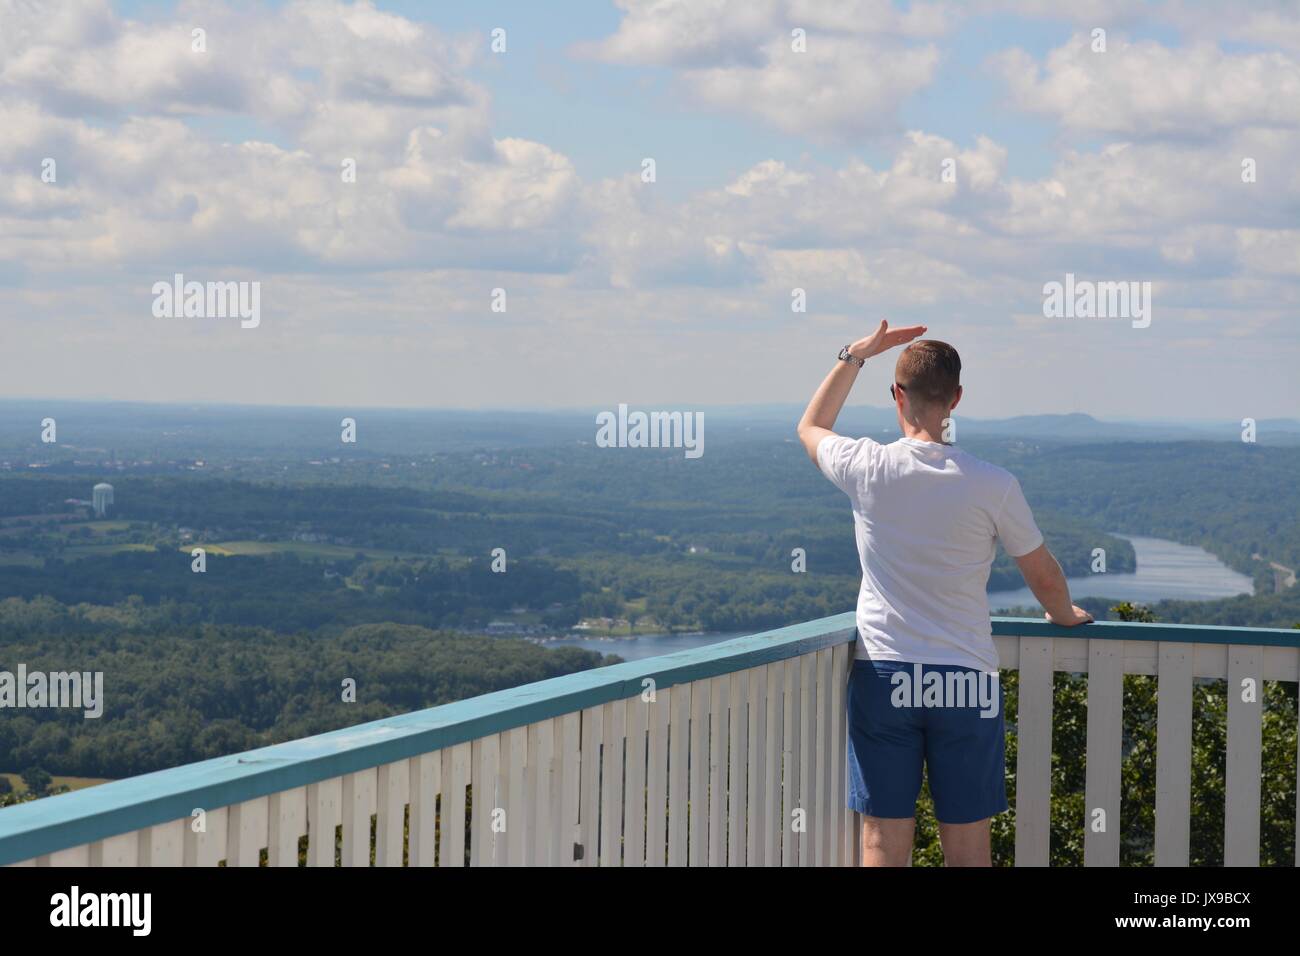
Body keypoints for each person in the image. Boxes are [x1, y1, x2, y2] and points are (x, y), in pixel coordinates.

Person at [796, 321, 1092, 867]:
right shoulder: (992, 483)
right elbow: (1041, 571)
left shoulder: (868, 466)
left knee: (882, 839)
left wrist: (855, 355)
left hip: (886, 675)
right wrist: (1063, 613)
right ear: (956, 399)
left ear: (897, 395)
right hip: (965, 679)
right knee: (968, 844)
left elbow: (812, 426)